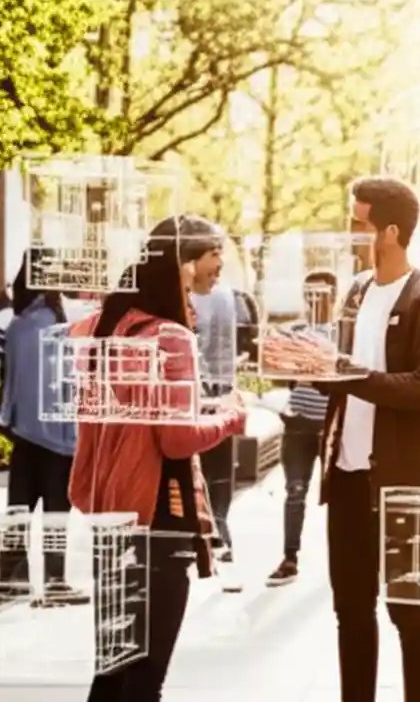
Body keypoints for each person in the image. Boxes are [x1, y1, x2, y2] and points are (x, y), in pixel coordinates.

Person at [71, 216, 247, 700]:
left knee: (111, 671)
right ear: (183, 263)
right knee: (145, 680)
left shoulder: (103, 326)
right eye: (214, 255)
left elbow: (131, 422)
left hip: (112, 508)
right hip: (160, 513)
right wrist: (230, 418)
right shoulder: (169, 336)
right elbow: (175, 440)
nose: (219, 267)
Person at [315, 176, 420, 702]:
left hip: (401, 482)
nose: (348, 231)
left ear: (390, 232)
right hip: (347, 477)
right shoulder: (355, 292)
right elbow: (343, 373)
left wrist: (353, 377)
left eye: (357, 222)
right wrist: (315, 367)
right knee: (351, 610)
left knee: (407, 609)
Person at [0, 250, 88, 606]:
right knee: (56, 513)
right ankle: (54, 582)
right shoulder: (57, 324)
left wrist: (9, 418)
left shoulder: (18, 324)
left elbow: (10, 381)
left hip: (23, 432)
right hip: (56, 436)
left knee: (19, 508)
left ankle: (11, 581)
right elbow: (67, 383)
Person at [266, 270, 339, 586]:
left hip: (330, 424)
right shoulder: (295, 332)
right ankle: (290, 558)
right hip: (298, 421)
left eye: (321, 293)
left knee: (338, 496)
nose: (314, 299)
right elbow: (279, 368)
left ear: (334, 296)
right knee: (295, 491)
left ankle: (342, 560)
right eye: (309, 293)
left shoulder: (342, 333)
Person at [188, 229, 241, 593]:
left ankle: (219, 530)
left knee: (219, 472)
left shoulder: (223, 296)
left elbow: (225, 349)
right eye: (213, 254)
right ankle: (206, 536)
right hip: (192, 401)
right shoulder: (179, 296)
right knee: (200, 472)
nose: (220, 263)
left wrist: (227, 391)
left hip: (216, 394)